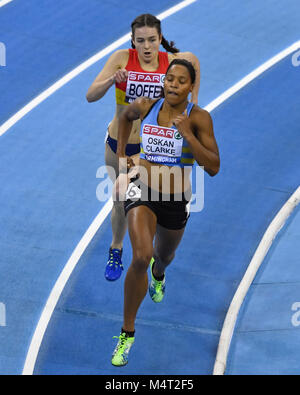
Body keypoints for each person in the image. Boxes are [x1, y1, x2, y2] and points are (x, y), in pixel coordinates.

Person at [111, 59, 220, 367]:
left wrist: (188, 134)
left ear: (191, 87)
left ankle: (160, 274)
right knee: (141, 256)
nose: (172, 84)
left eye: (180, 80)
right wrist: (123, 158)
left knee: (163, 256)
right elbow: (126, 116)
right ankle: (127, 333)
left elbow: (213, 167)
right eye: (169, 78)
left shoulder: (199, 118)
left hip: (175, 198)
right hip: (141, 188)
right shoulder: (147, 105)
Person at [86, 14, 200, 282]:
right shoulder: (121, 59)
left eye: (151, 40)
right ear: (132, 41)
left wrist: (194, 104)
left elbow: (193, 67)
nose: (147, 47)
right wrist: (112, 80)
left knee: (151, 203)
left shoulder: (171, 64)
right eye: (140, 41)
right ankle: (116, 248)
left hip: (153, 151)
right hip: (118, 144)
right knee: (119, 199)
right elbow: (90, 95)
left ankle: (150, 255)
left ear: (160, 39)